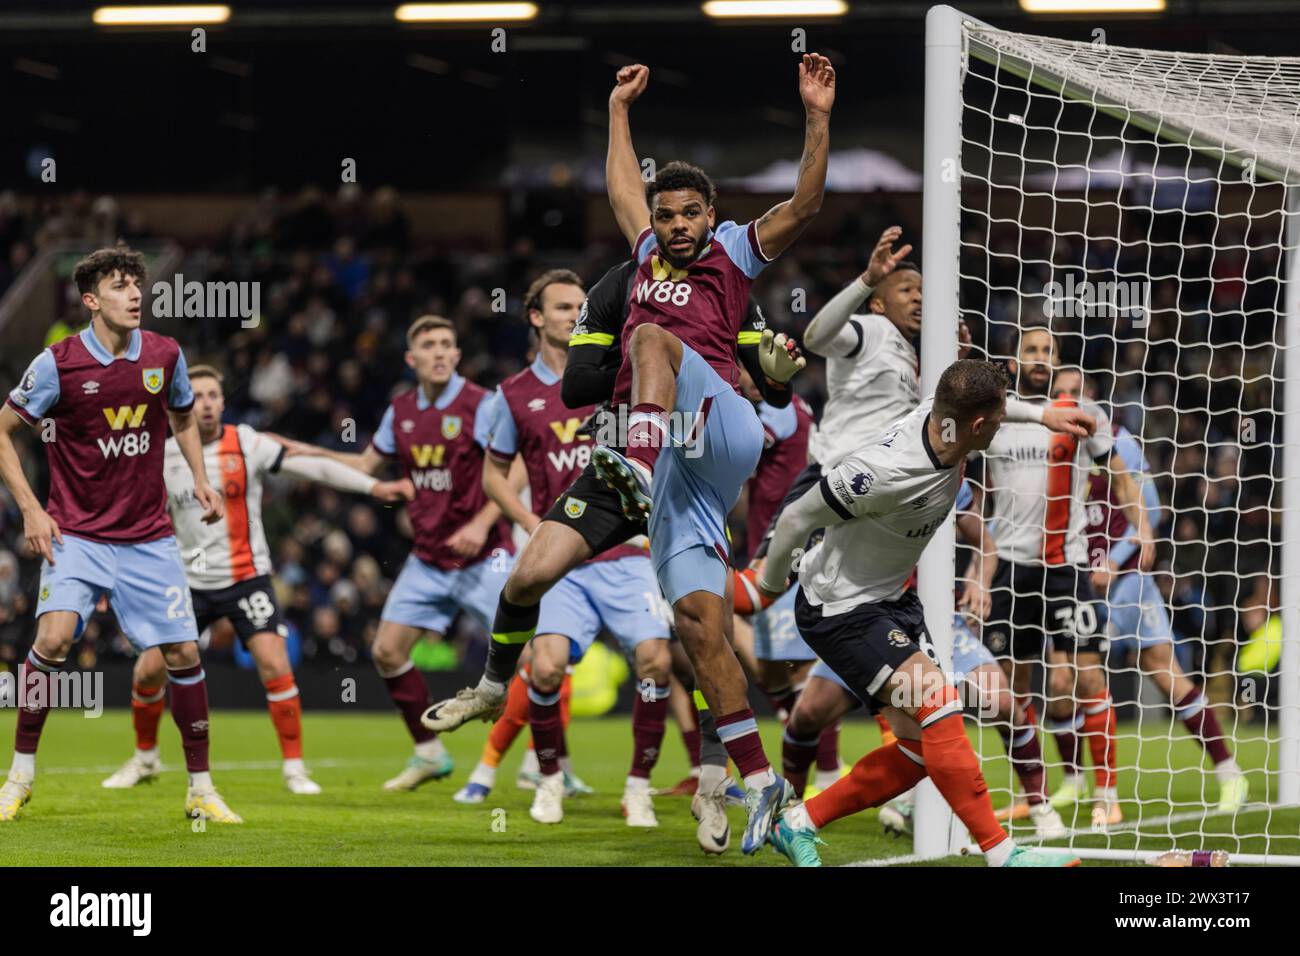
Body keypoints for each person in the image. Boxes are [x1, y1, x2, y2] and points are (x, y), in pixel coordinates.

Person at [757, 359, 1081, 867]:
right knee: (940, 704)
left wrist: (1042, 416)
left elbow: (990, 404)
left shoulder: (945, 418)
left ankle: (798, 822)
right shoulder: (883, 473)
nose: (1001, 424)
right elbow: (799, 515)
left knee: (917, 754)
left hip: (892, 602)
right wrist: (769, 582)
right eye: (997, 420)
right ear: (978, 427)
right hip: (841, 609)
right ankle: (1004, 855)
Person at [0, 246, 239, 823]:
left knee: (184, 650)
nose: (135, 294)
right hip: (77, 534)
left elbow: (182, 415)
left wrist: (202, 479)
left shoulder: (165, 354)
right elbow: (3, 431)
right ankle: (19, 777)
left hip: (148, 537)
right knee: (54, 641)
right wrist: (32, 509)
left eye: (137, 284)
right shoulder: (57, 363)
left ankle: (201, 788)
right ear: (91, 301)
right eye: (119, 286)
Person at [100, 364, 412, 795]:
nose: (206, 403)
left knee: (275, 664)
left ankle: (295, 769)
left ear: (224, 402)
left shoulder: (247, 442)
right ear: (181, 403)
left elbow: (314, 468)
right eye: (198, 395)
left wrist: (372, 488)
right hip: (186, 583)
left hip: (246, 578)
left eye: (213, 395)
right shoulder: (164, 454)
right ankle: (145, 758)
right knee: (147, 673)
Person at [461, 269, 673, 825]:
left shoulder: (622, 378)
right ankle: (549, 779)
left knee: (657, 662)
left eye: (582, 307)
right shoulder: (512, 394)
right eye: (562, 308)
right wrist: (534, 522)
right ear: (535, 317)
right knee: (547, 667)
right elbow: (493, 477)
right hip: (563, 565)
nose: (576, 316)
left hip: (625, 552)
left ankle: (639, 787)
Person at [307, 315, 516, 791]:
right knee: (386, 651)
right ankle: (429, 753)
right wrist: (299, 451)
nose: (440, 352)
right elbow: (365, 464)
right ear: (412, 358)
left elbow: (514, 464)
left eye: (448, 344)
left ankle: (550, 768)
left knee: (533, 659)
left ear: (458, 355)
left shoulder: (482, 405)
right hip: (428, 558)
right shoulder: (400, 410)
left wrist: (482, 522)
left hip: (486, 556)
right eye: (430, 345)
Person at [973, 326, 1156, 831]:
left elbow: (1119, 476)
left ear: (1057, 361)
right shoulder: (996, 416)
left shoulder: (1084, 415)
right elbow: (971, 493)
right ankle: (1034, 798)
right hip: (1010, 572)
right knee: (1014, 691)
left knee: (1090, 678)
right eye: (1029, 350)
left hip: (1066, 569)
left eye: (1047, 351)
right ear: (1014, 360)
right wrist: (977, 568)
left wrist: (1141, 529)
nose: (1038, 358)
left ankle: (1106, 794)